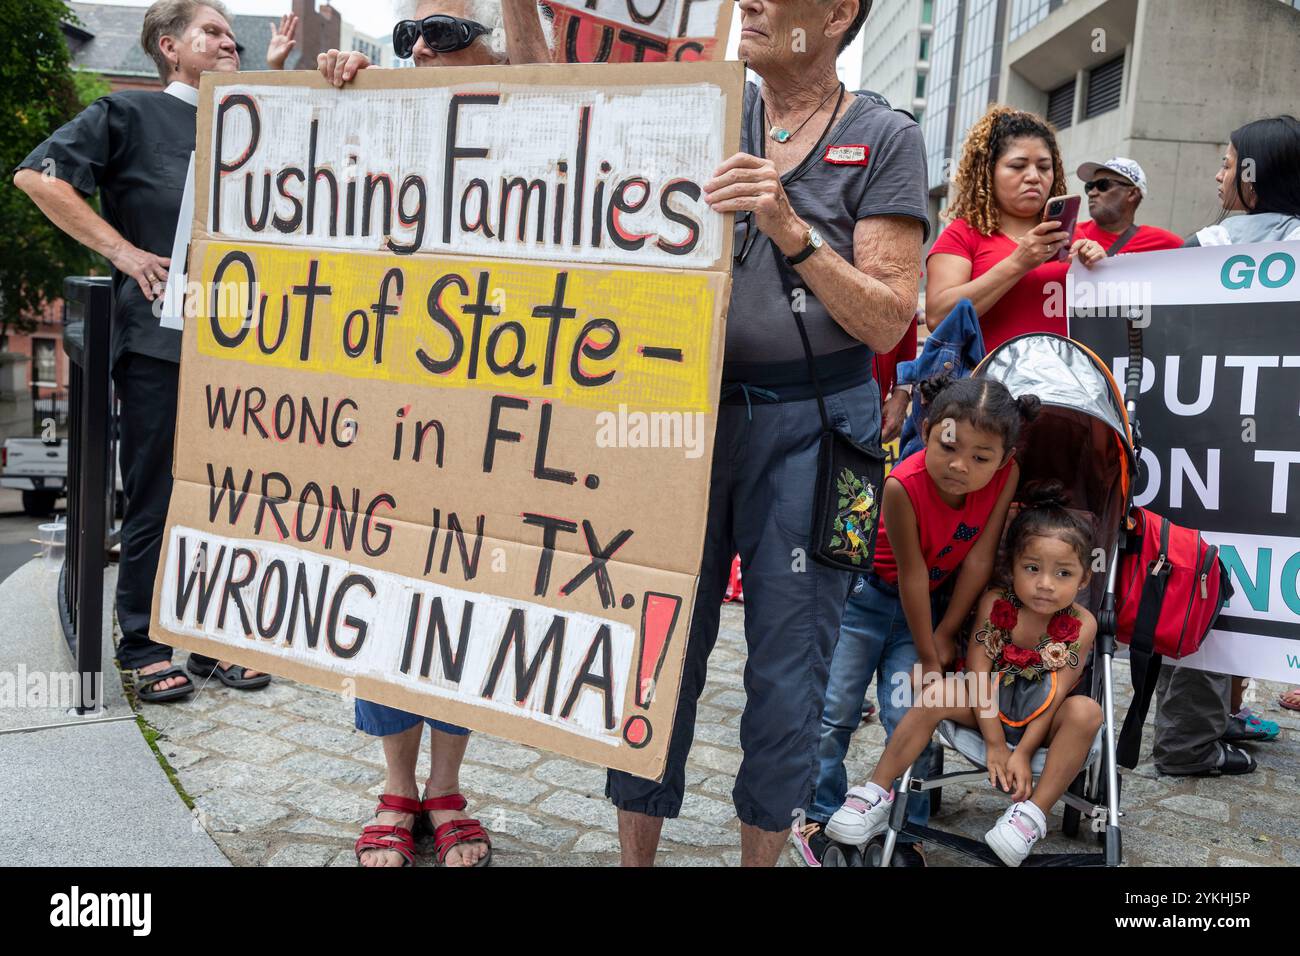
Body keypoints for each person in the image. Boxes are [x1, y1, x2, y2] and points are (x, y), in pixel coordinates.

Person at [605, 0, 929, 867]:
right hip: (683, 421)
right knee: (655, 645)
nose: (746, 2)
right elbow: (548, 105)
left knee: (792, 670)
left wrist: (792, 231)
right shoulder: (701, 105)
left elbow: (890, 322)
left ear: (833, 15)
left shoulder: (886, 136)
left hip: (823, 432)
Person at [317, 0, 550, 868]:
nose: (420, 49)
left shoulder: (531, 130)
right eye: (407, 35)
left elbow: (550, 89)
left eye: (446, 32)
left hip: (490, 407)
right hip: (384, 403)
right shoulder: (380, 118)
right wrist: (337, 88)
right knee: (381, 593)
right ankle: (395, 786)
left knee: (463, 599)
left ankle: (446, 788)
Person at [13, 1, 297, 703]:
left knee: (230, 495)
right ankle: (141, 639)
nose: (229, 42)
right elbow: (36, 176)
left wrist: (280, 76)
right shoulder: (128, 114)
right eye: (213, 33)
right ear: (169, 47)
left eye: (234, 35)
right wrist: (122, 250)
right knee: (161, 493)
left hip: (243, 341)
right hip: (160, 340)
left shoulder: (245, 119)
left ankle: (215, 637)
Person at [799, 376, 1028, 866]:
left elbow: (978, 559)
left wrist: (945, 635)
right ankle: (818, 815)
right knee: (835, 709)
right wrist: (930, 652)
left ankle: (907, 830)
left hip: (930, 609)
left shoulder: (1005, 478)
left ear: (1004, 460)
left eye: (981, 457)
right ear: (926, 432)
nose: (961, 465)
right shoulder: (902, 485)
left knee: (909, 713)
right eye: (949, 446)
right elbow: (911, 573)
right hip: (868, 600)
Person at [825, 481, 1102, 867]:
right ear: (1012, 568)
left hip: (1044, 719)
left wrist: (1020, 753)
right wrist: (994, 744)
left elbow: (1055, 693)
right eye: (1033, 568)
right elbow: (978, 673)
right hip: (985, 703)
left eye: (1063, 573)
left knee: (1087, 711)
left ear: (1084, 579)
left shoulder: (1082, 623)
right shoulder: (995, 603)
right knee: (936, 693)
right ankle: (876, 790)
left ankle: (1030, 816)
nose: (1045, 584)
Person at [1154, 114, 1300, 776]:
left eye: (1229, 161)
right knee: (1226, 577)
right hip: (1249, 460)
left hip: (1212, 457)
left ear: (1256, 175)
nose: (1218, 173)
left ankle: (1197, 732)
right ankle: (1189, 741)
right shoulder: (1204, 247)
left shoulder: (1198, 250)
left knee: (1209, 579)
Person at [925, 106, 1106, 353]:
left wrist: (1099, 269)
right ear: (988, 172)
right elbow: (937, 317)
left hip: (1065, 382)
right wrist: (1018, 263)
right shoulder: (962, 234)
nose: (1033, 176)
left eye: (1044, 167)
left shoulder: (1070, 234)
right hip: (991, 385)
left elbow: (1100, 315)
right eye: (1018, 166)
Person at [1073, 157, 1183, 254]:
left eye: (1103, 185)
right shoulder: (1068, 236)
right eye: (1089, 186)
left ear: (1132, 194)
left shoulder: (1165, 244)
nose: (1092, 193)